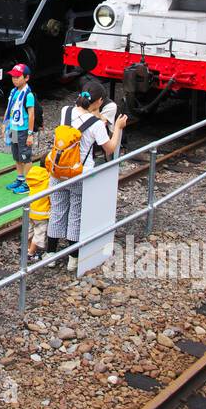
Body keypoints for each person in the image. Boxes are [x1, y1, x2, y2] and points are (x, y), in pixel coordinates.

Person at [46, 84, 128, 272]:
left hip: (58, 172)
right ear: (99, 101)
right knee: (76, 214)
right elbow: (110, 148)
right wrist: (117, 127)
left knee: (57, 210)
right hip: (80, 174)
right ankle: (73, 259)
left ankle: (50, 254)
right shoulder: (97, 124)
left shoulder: (65, 111)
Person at [3, 63, 36, 195]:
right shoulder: (13, 91)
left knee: (25, 156)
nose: (15, 79)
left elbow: (31, 114)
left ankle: (28, 182)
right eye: (13, 77)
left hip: (23, 130)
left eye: (18, 77)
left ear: (26, 78)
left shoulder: (28, 95)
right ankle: (20, 177)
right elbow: (9, 108)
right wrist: (5, 123)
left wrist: (30, 134)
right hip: (13, 128)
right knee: (16, 154)